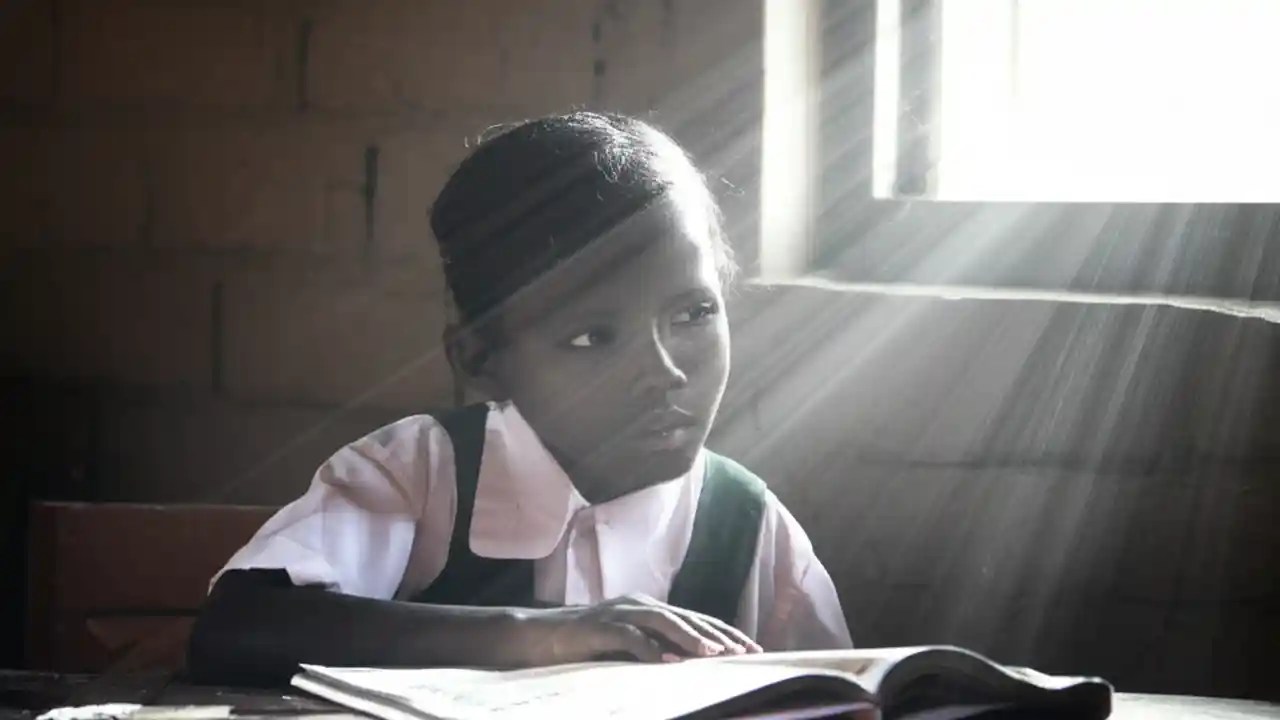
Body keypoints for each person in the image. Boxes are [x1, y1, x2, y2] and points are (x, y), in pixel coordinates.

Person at [188, 112, 851, 686]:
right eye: (593, 336)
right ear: (482, 360)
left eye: (694, 312)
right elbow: (240, 628)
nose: (664, 372)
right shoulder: (424, 475)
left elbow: (844, 697)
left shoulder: (750, 527)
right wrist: (543, 635)